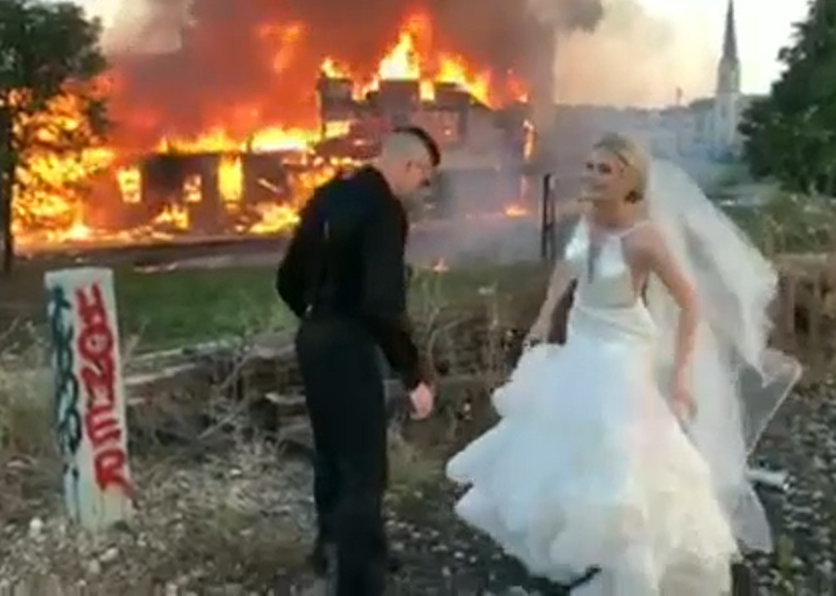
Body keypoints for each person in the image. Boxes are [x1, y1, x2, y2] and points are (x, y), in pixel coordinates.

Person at [445, 133, 802, 595]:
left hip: (622, 347)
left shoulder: (644, 238)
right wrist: (545, 315)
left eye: (605, 170)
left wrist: (681, 376)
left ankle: (634, 555)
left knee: (620, 445)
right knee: (562, 434)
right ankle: (576, 540)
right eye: (590, 166)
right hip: (582, 336)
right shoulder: (589, 218)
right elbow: (568, 267)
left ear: (630, 181)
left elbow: (691, 303)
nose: (593, 176)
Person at [276, 126, 442, 595]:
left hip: (313, 337)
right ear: (410, 165)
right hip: (350, 343)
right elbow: (382, 305)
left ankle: (332, 550)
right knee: (364, 468)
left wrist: (316, 318)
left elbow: (287, 278)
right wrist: (412, 374)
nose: (422, 188)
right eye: (425, 178)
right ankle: (359, 582)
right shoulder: (385, 211)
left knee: (330, 451)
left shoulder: (329, 194)